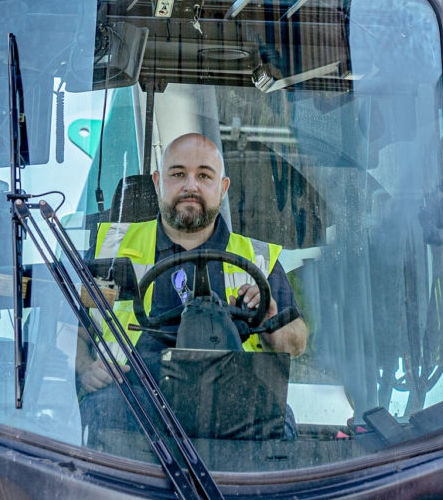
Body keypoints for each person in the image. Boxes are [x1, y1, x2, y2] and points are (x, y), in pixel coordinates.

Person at [77, 133, 307, 396]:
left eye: (204, 176)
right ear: (157, 182)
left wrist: (272, 322)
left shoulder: (258, 259)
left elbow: (296, 343)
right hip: (128, 413)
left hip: (236, 418)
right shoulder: (109, 250)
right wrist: (86, 368)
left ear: (223, 188)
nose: (190, 186)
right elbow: (70, 331)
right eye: (177, 174)